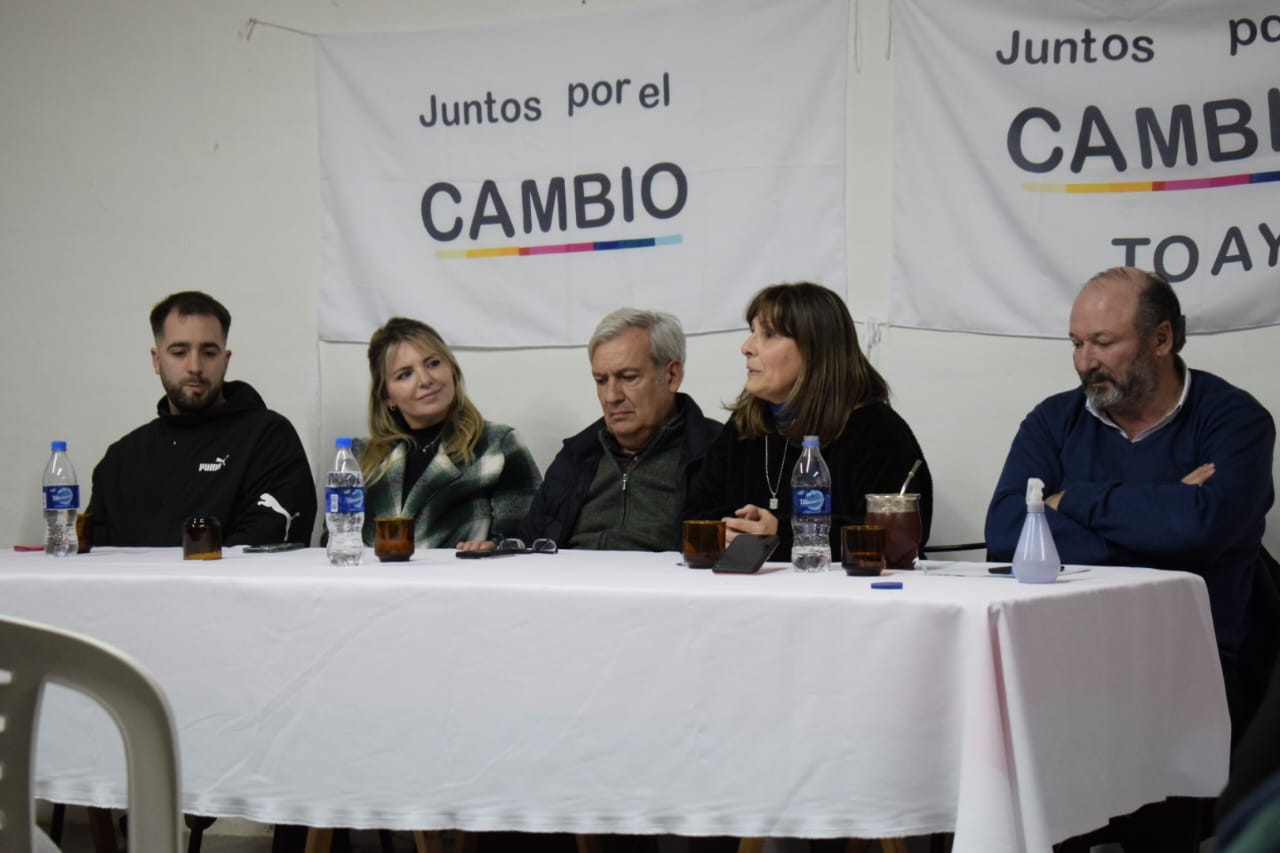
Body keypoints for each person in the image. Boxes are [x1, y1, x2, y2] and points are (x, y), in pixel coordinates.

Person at [985, 267, 1277, 852]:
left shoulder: (1234, 419)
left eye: (1103, 342)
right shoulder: (1053, 420)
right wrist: (1166, 510)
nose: (1084, 361)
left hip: (1191, 663)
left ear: (1161, 340)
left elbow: (1209, 524)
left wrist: (1075, 500)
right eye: (1075, 343)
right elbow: (1007, 531)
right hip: (1067, 659)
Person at [685, 281, 932, 561]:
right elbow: (696, 514)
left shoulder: (877, 431)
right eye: (752, 332)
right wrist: (727, 531)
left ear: (815, 350)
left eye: (769, 334)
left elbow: (892, 537)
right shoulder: (745, 426)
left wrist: (782, 532)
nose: (746, 347)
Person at [87, 291, 316, 546]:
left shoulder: (268, 439)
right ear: (157, 360)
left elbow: (267, 545)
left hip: (233, 588)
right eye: (179, 352)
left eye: (208, 352)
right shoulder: (121, 459)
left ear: (225, 360)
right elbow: (95, 558)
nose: (195, 366)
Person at [519, 308, 722, 551]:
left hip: (663, 586)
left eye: (628, 377)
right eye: (601, 381)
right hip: (570, 584)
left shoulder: (719, 453)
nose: (611, 396)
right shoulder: (575, 457)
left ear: (671, 375)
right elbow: (528, 546)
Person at [358, 317, 541, 548]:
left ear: (452, 369)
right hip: (374, 584)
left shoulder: (499, 444)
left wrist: (494, 547)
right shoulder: (362, 459)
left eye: (433, 363)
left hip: (469, 581)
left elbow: (529, 536)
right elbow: (334, 543)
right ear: (386, 396)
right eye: (405, 374)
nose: (425, 380)